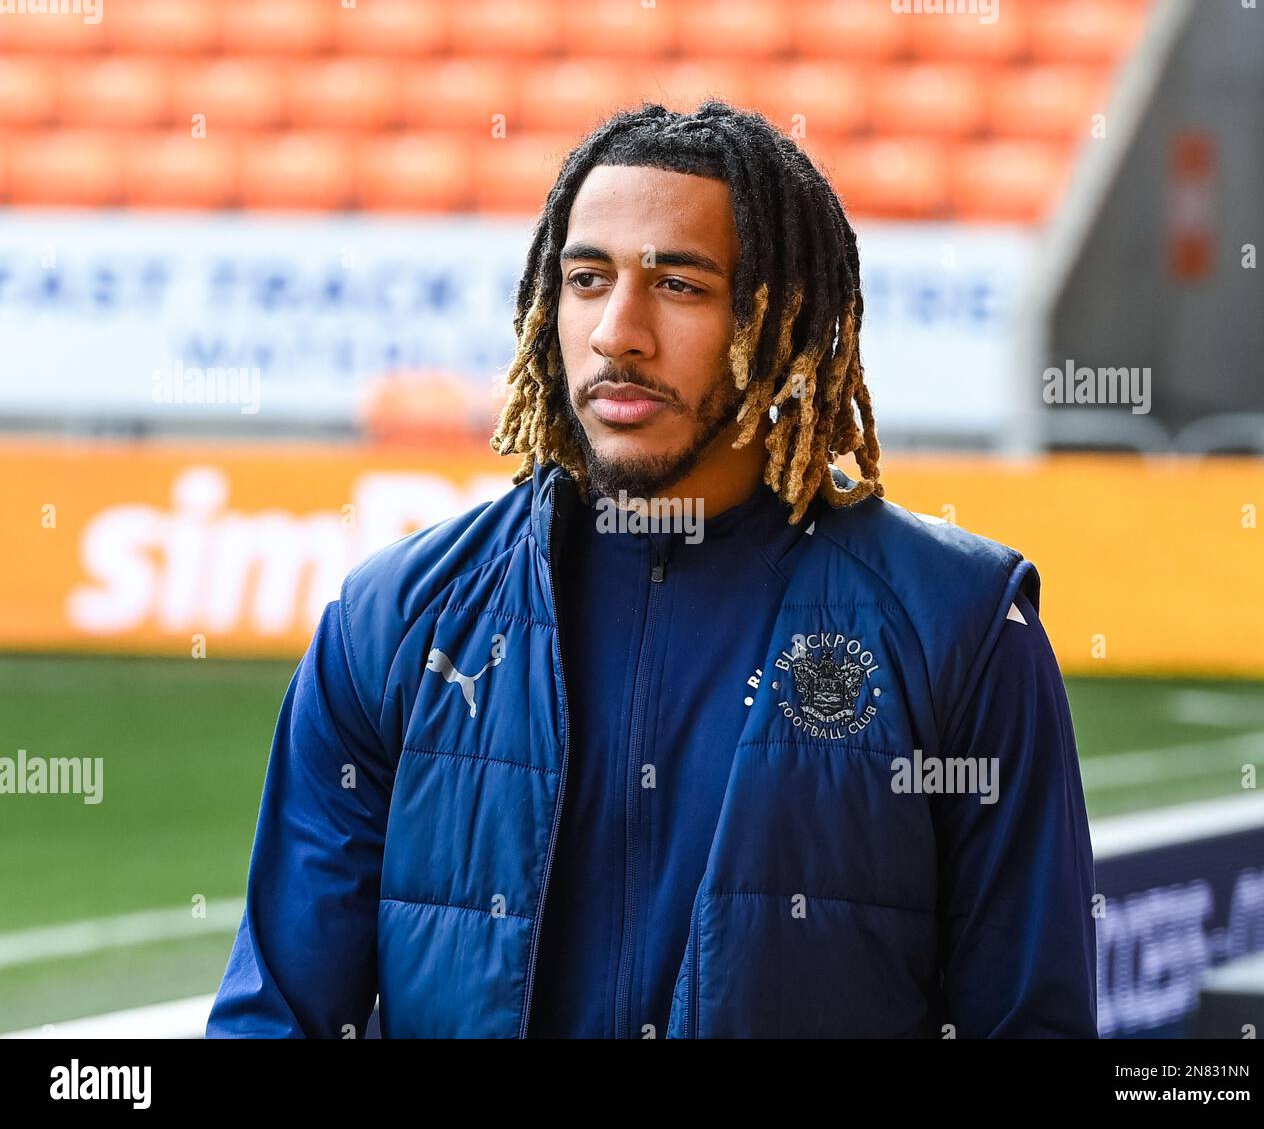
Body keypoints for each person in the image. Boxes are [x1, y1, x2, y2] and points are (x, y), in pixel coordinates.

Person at [207, 100, 1097, 1039]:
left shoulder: (958, 625)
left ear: (781, 317)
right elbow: (278, 1016)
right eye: (587, 280)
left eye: (679, 287)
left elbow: (1028, 1022)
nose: (616, 333)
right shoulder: (395, 621)